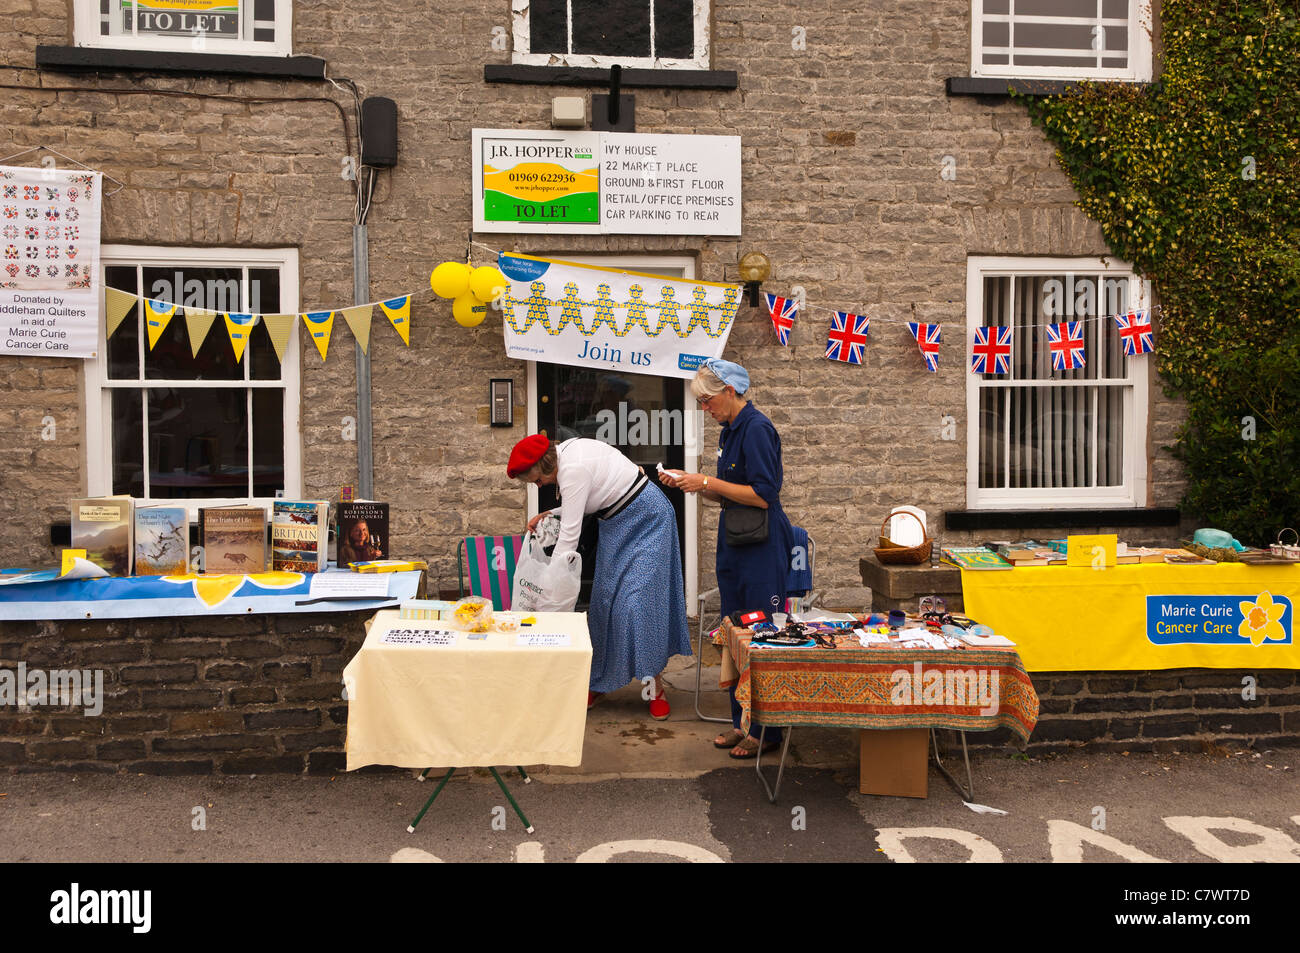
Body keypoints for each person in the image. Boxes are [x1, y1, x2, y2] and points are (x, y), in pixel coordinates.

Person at [658, 358, 793, 759]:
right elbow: (731, 490)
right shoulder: (729, 431)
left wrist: (707, 481)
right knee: (734, 633)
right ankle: (742, 723)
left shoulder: (757, 429)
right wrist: (694, 484)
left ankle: (765, 732)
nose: (705, 408)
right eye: (700, 402)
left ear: (730, 392)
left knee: (760, 636)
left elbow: (764, 494)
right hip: (736, 540)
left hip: (762, 546)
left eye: (707, 400)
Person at [508, 433, 691, 720]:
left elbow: (569, 535)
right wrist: (550, 513)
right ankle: (599, 681)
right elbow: (587, 498)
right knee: (604, 604)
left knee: (637, 604)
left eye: (534, 479)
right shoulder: (567, 454)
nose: (537, 485)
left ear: (544, 466)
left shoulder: (572, 469)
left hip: (649, 519)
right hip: (615, 524)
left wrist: (549, 586)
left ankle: (653, 686)